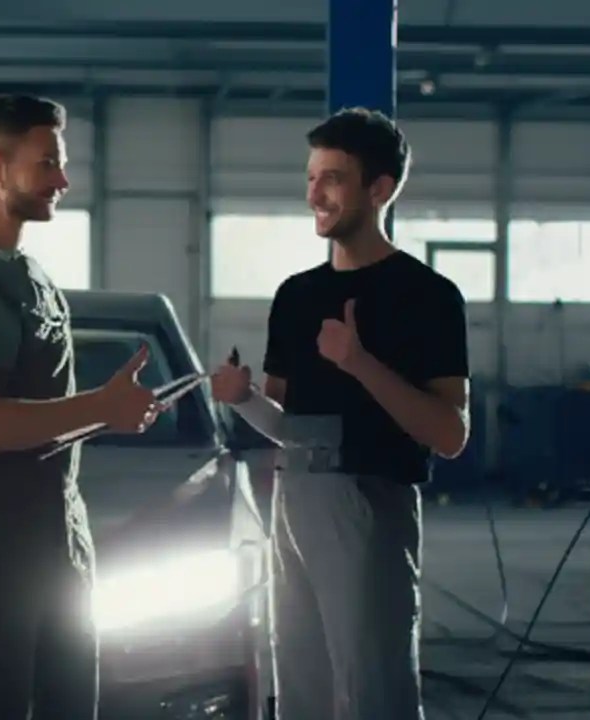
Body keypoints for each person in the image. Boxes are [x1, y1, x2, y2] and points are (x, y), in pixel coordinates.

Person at [211, 107, 470, 720]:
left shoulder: (427, 296)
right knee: (301, 685)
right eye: (310, 178)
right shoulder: (296, 295)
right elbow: (286, 422)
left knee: (372, 685)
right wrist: (243, 396)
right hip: (294, 500)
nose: (314, 195)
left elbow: (450, 434)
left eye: (332, 178)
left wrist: (359, 363)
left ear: (379, 189)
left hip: (370, 504)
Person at [0, 94, 161, 720]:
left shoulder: (38, 278)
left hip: (62, 539)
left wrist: (111, 409)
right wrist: (103, 406)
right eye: (48, 162)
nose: (63, 179)